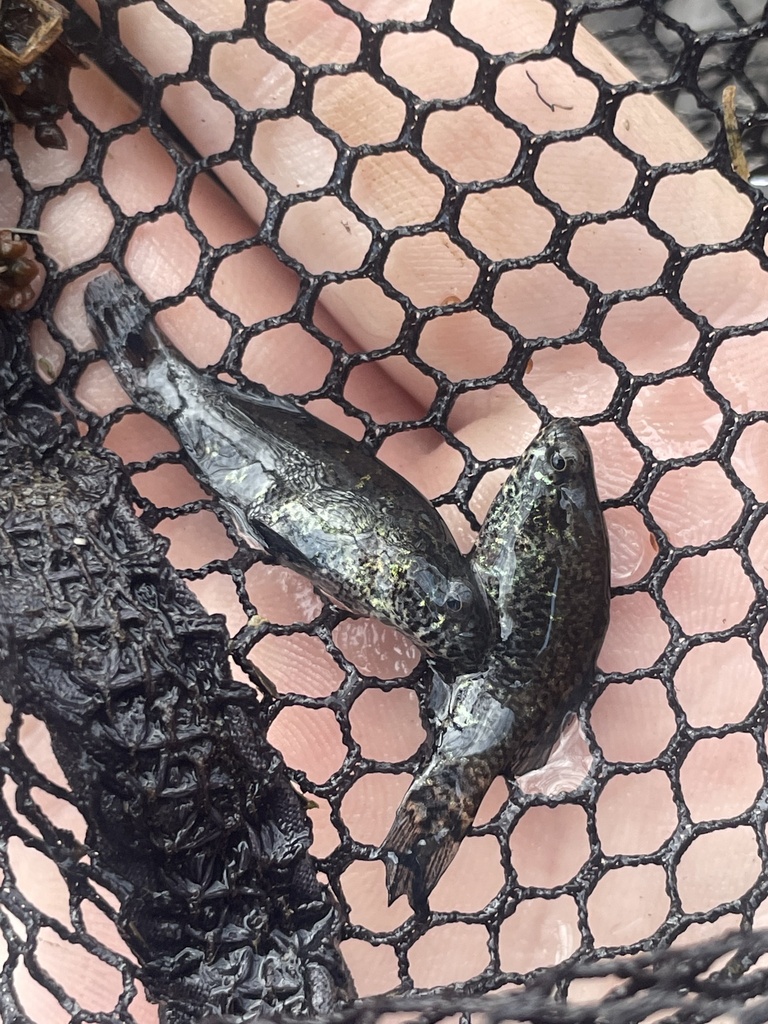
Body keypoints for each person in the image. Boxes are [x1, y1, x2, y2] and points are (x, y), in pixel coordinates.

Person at [2, 0, 766, 1016]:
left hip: (419, 631)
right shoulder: (469, 633)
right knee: (418, 571)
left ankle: (167, 388)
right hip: (309, 506)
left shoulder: (474, 641)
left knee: (440, 595)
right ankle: (167, 385)